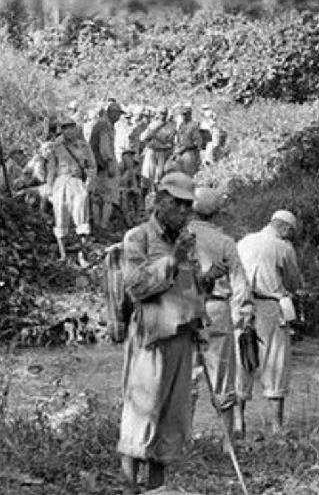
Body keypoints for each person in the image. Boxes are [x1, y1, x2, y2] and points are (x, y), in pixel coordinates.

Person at [117, 172, 222, 493]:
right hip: (151, 339)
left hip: (182, 338)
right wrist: (171, 260)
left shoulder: (187, 240)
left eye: (187, 205)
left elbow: (187, 289)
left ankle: (156, 489)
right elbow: (136, 287)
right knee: (141, 416)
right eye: (176, 203)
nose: (182, 210)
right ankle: (129, 487)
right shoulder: (139, 238)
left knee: (170, 423)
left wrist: (205, 283)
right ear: (160, 201)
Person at [188, 187, 253, 450]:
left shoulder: (181, 236)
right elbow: (240, 284)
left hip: (186, 308)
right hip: (217, 309)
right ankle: (228, 442)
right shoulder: (224, 242)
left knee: (187, 375)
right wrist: (244, 317)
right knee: (222, 374)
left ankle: (184, 439)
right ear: (216, 214)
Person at [235, 210, 304, 436]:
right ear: (284, 228)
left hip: (239, 307)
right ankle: (276, 426)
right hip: (269, 308)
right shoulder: (283, 247)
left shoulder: (244, 241)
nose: (291, 236)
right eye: (291, 232)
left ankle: (238, 424)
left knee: (242, 362)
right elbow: (293, 282)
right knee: (275, 362)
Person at [44, 118, 96, 267]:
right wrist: (49, 188)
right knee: (60, 218)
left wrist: (88, 184)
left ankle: (82, 255)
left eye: (71, 127)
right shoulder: (56, 147)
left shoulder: (83, 146)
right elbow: (52, 169)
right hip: (61, 183)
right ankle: (63, 256)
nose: (69, 130)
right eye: (65, 127)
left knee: (82, 219)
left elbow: (91, 166)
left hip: (77, 183)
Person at [89, 101, 124, 232]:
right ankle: (103, 225)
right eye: (118, 114)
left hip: (95, 164)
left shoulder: (99, 124)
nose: (119, 117)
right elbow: (105, 148)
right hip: (103, 164)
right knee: (108, 196)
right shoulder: (105, 126)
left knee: (97, 196)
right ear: (112, 113)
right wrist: (109, 163)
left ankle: (98, 224)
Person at [140, 107, 176, 192]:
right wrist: (152, 132)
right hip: (151, 151)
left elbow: (170, 142)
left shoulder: (170, 127)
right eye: (161, 113)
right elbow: (143, 137)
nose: (162, 115)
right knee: (147, 174)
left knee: (159, 175)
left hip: (162, 152)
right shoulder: (152, 124)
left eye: (164, 114)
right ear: (158, 114)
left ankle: (157, 193)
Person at [169, 104, 202, 178]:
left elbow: (197, 143)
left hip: (189, 153)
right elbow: (178, 139)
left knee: (188, 176)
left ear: (190, 114)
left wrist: (185, 148)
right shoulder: (181, 125)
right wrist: (177, 150)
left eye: (185, 114)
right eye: (182, 114)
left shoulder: (194, 125)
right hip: (179, 152)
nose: (183, 116)